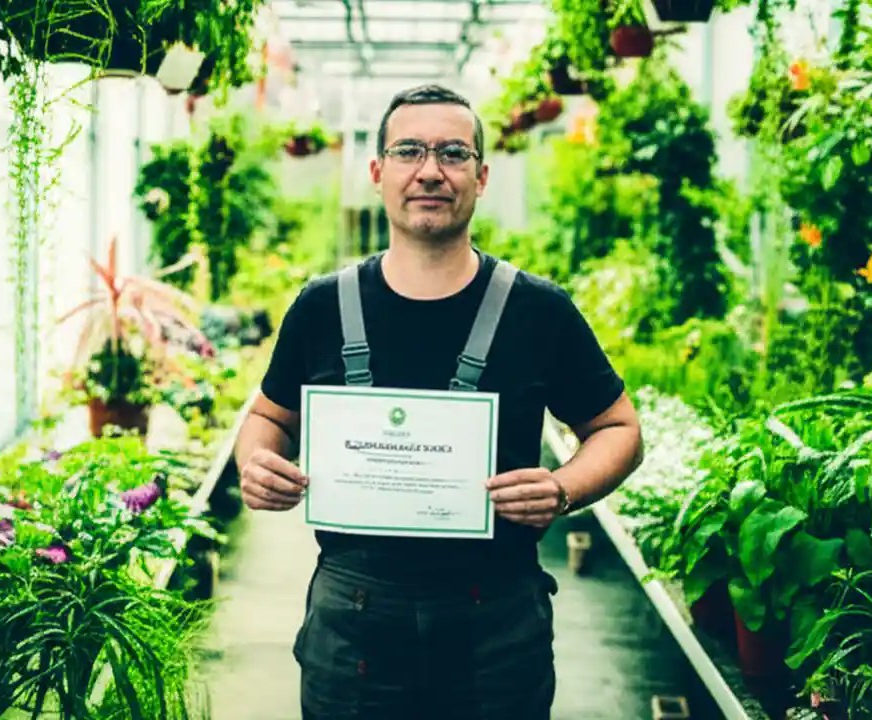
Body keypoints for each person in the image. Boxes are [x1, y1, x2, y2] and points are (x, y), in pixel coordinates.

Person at [232, 83, 644, 720]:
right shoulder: (323, 307)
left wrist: (563, 489)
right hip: (353, 622)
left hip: (498, 623)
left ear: (481, 176)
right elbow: (266, 415)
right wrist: (256, 461)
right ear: (378, 172)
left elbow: (618, 428)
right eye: (409, 151)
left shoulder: (538, 311)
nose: (430, 171)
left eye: (453, 153)